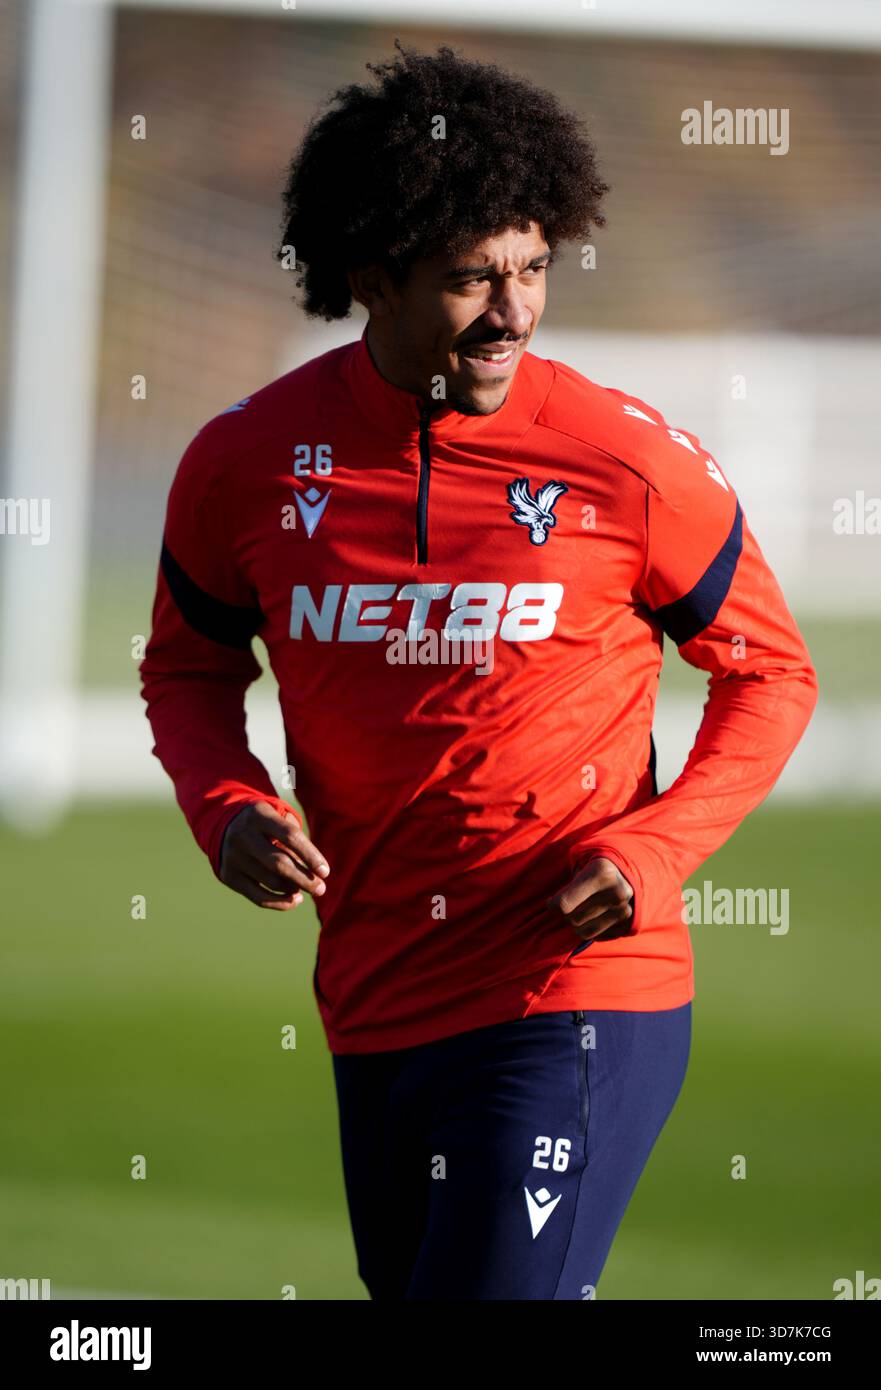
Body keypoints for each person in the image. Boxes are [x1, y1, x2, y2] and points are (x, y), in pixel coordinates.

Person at [139, 41, 818, 1300]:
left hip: (571, 991)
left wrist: (651, 852)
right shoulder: (243, 461)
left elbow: (770, 673)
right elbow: (185, 671)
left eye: (531, 270)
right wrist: (224, 807)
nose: (511, 312)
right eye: (469, 279)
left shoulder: (622, 461)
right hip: (372, 997)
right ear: (370, 277)